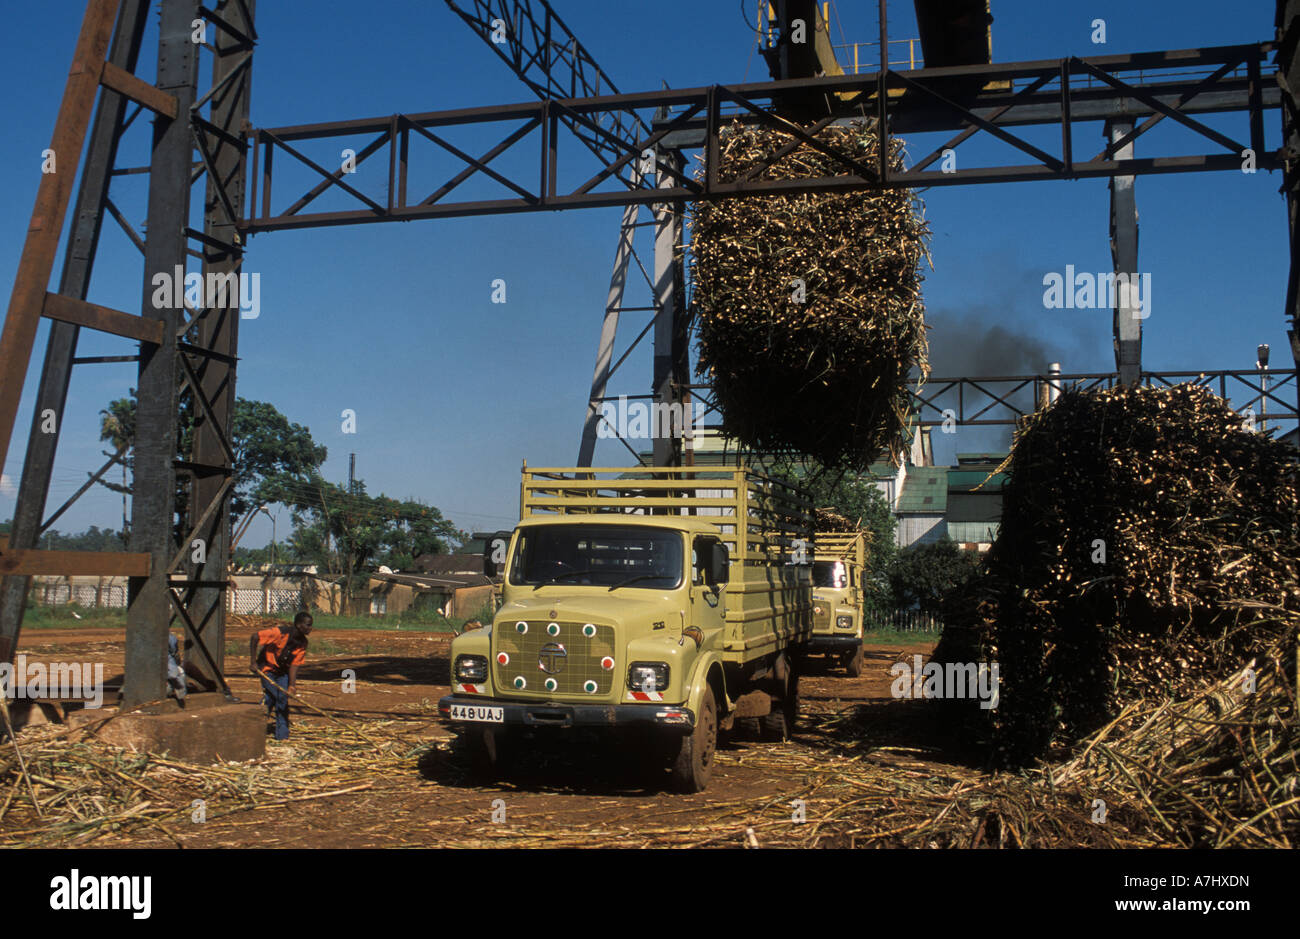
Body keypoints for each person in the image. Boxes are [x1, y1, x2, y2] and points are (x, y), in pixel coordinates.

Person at [249, 612, 313, 740]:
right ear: (299, 625)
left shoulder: (302, 643)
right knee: (277, 696)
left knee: (277, 698)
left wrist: (292, 685)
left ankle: (281, 735)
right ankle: (257, 728)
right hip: (267, 669)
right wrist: (253, 662)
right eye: (308, 625)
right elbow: (255, 637)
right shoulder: (279, 633)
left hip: (283, 673)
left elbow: (295, 665)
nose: (310, 628)